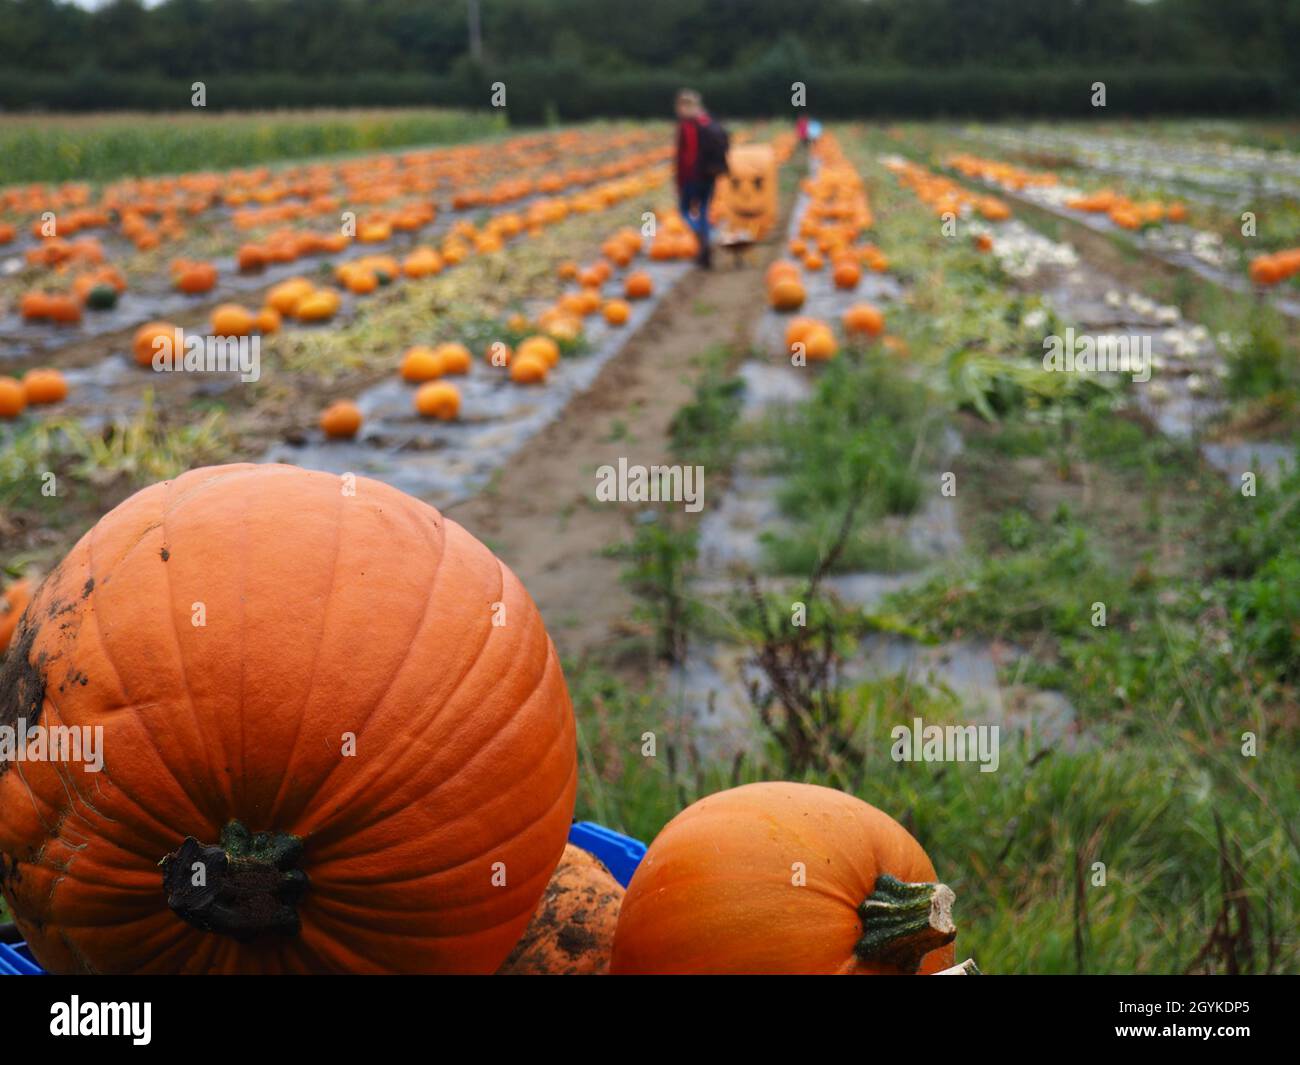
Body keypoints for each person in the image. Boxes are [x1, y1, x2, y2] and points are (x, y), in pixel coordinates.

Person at [674, 89, 728, 269]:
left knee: (684, 211)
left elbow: (687, 156)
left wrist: (681, 181)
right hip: (709, 175)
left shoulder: (688, 125)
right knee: (704, 211)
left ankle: (704, 240)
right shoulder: (707, 120)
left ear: (683, 106)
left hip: (693, 176)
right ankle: (706, 242)